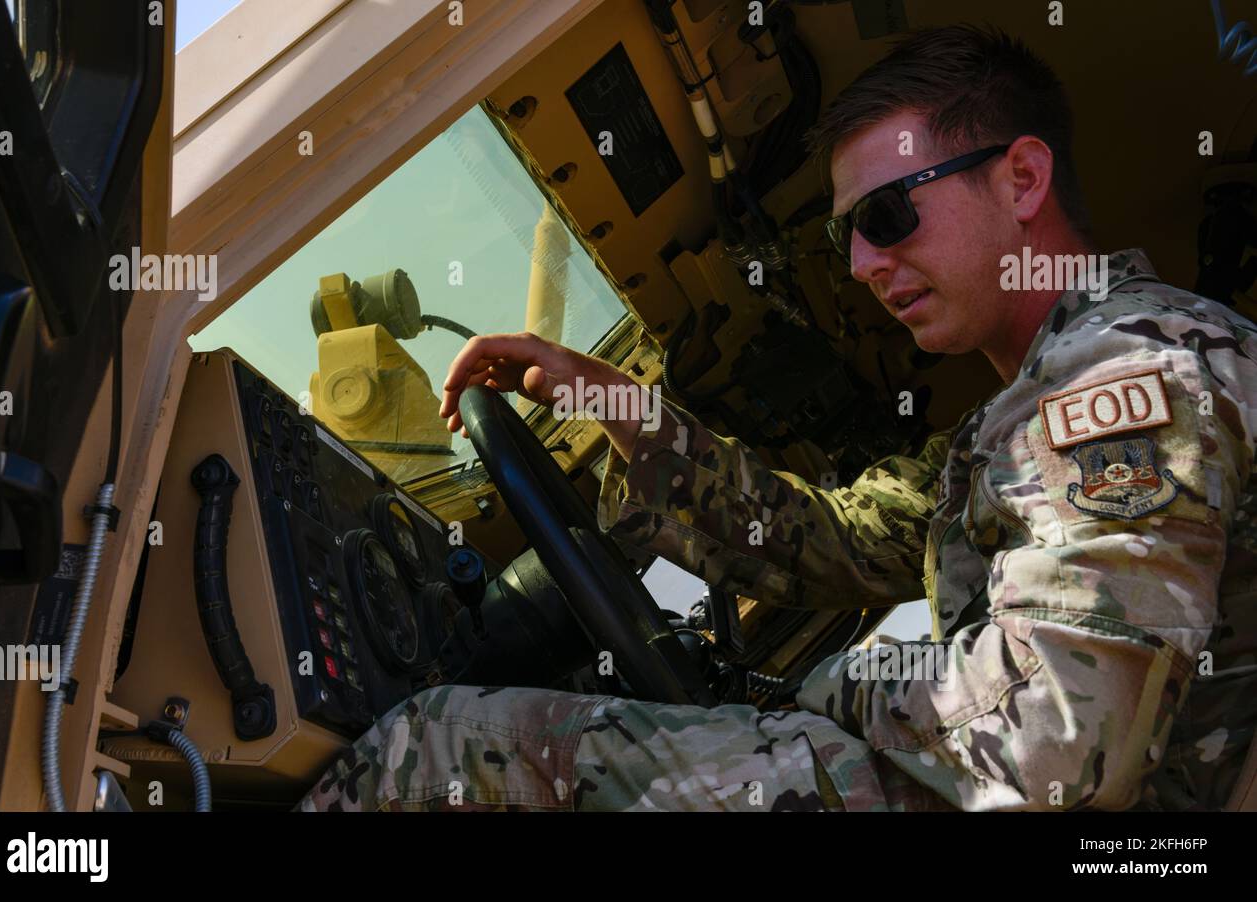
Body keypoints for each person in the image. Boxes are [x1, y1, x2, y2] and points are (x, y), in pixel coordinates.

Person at [298, 25, 1257, 812]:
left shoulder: (1131, 376)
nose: (862, 267)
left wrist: (844, 689)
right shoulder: (1007, 424)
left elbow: (1050, 751)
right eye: (846, 235)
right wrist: (612, 403)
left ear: (1022, 178)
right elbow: (824, 539)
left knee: (435, 751)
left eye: (886, 215)